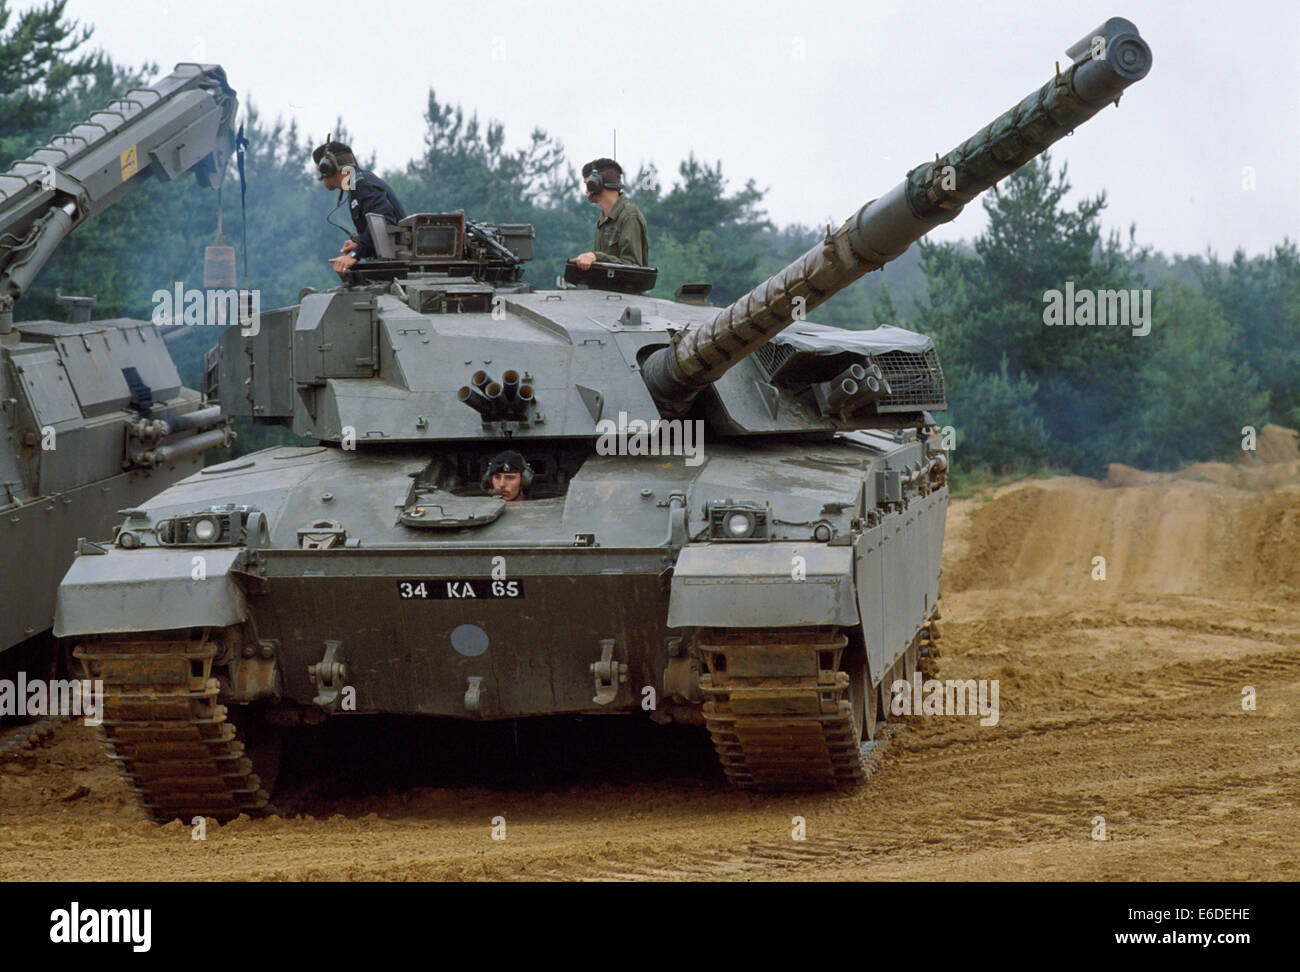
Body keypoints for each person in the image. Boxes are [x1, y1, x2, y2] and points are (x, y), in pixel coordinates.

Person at [312, 139, 407, 276]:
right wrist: (361, 245)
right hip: (394, 262)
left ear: (328, 168)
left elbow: (384, 221)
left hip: (398, 268)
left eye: (320, 171)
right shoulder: (357, 185)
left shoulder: (362, 185)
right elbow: (381, 231)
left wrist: (353, 255)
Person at [572, 157, 649, 269]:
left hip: (624, 286)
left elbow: (633, 267)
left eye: (587, 185)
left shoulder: (629, 217)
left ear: (595, 184)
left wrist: (596, 257)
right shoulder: (604, 218)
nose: (586, 191)